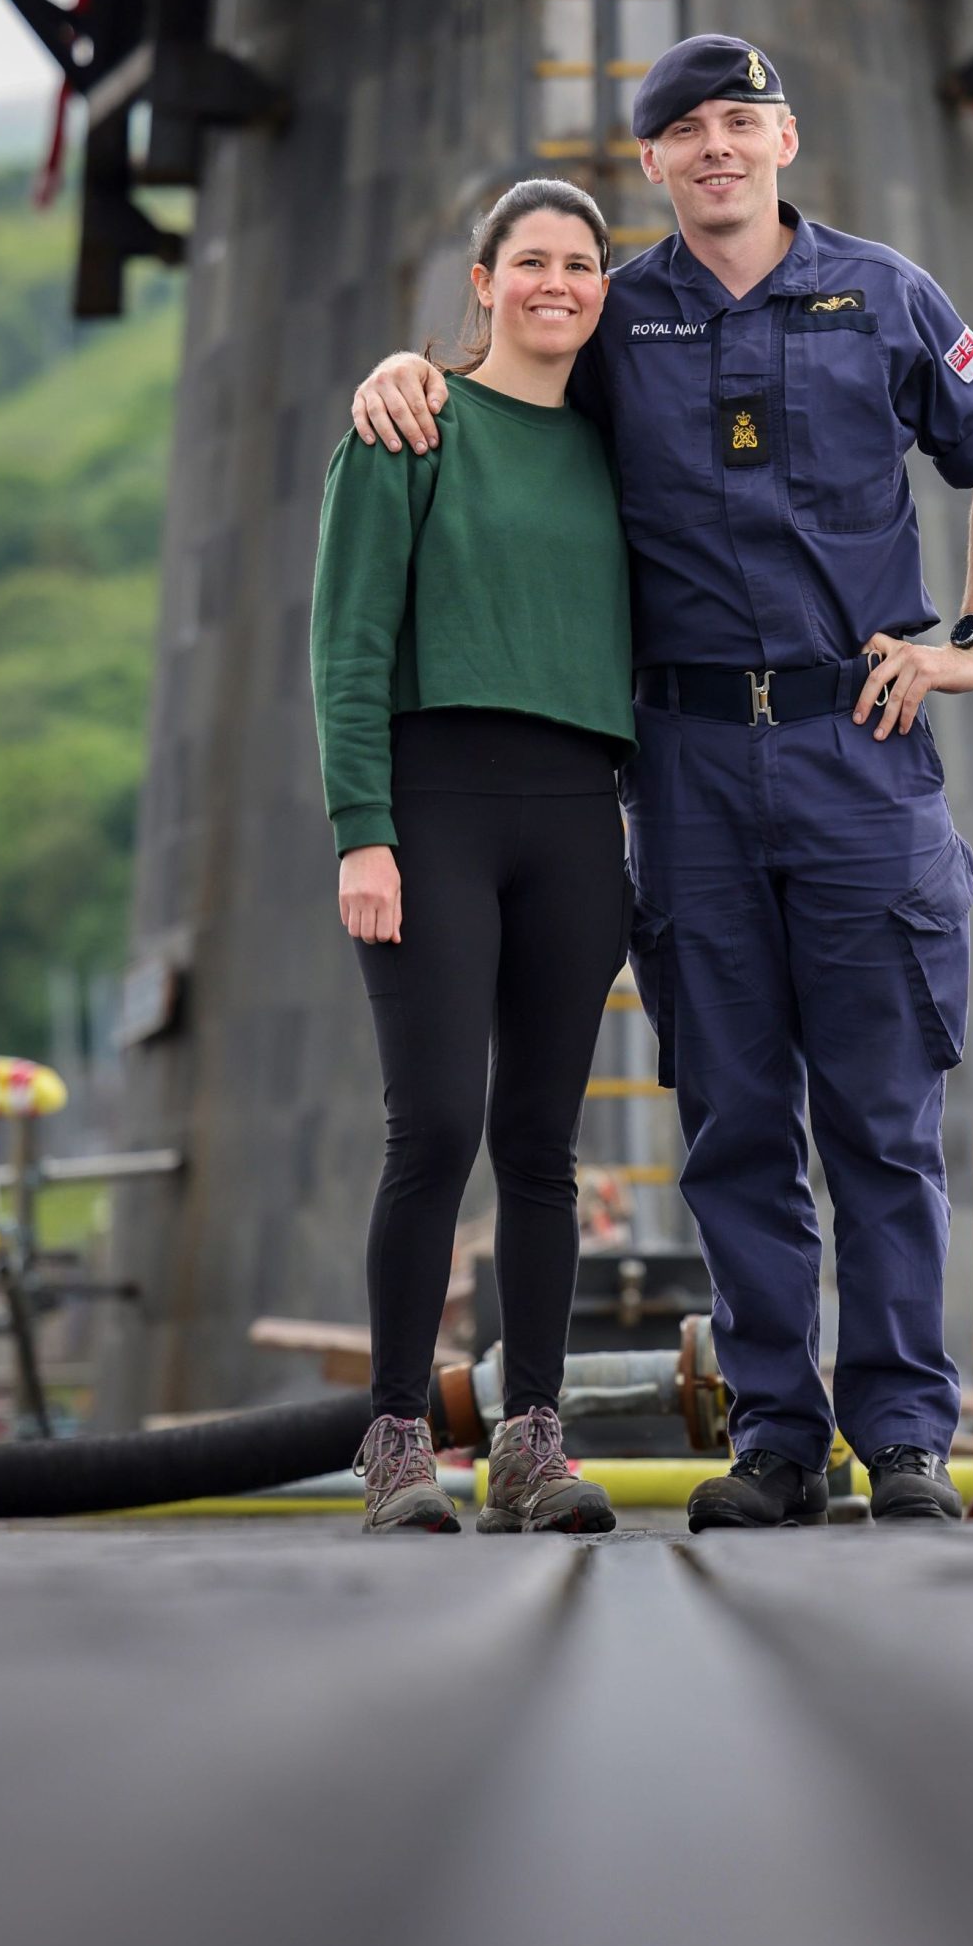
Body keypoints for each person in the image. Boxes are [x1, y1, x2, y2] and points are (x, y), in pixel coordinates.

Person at [349, 37, 973, 1529]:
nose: (716, 145)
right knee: (732, 1122)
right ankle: (778, 1440)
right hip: (685, 767)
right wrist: (407, 370)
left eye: (742, 119)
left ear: (784, 139)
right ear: (652, 161)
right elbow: (509, 379)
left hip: (858, 750)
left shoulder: (887, 294)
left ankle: (904, 1437)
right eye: (686, 129)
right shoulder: (623, 314)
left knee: (879, 1119)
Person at [311, 179, 636, 1536]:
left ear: (603, 291)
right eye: (531, 261)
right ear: (485, 281)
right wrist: (363, 833)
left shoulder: (621, 444)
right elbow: (347, 646)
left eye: (581, 265)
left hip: (577, 815)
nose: (557, 283)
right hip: (433, 807)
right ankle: (395, 1440)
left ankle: (530, 1447)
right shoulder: (409, 427)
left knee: (542, 1146)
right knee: (437, 1125)